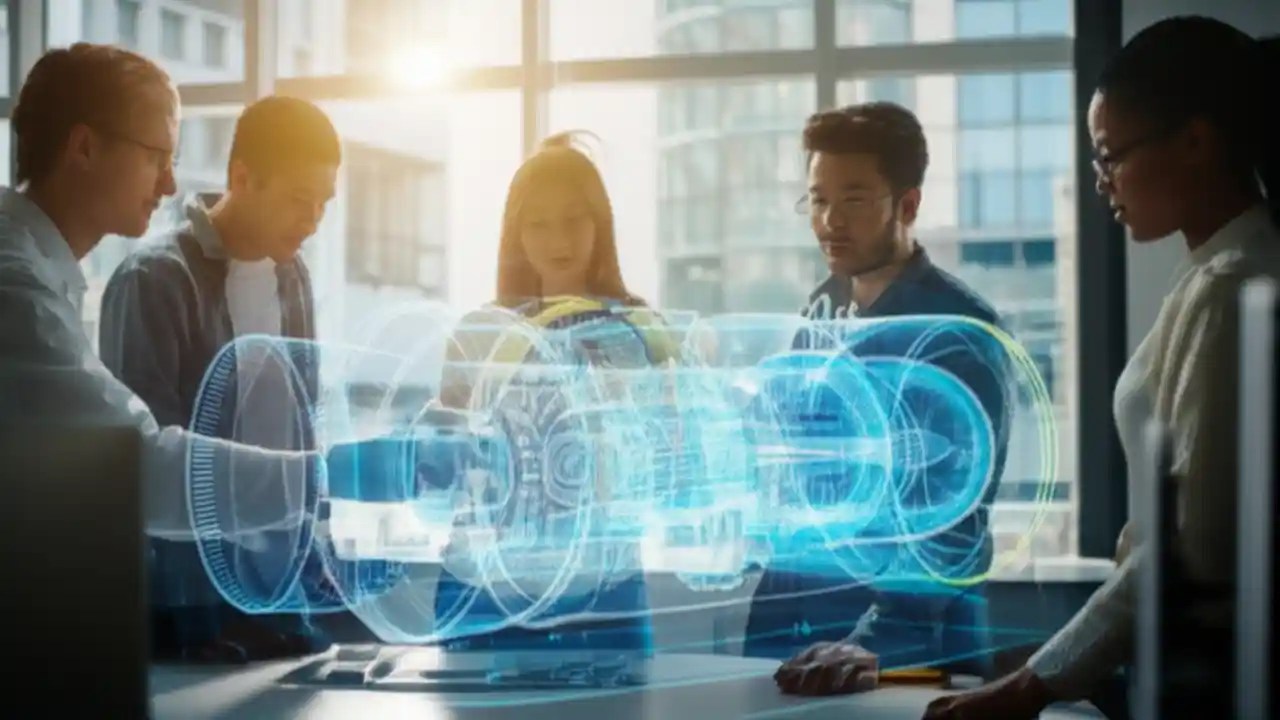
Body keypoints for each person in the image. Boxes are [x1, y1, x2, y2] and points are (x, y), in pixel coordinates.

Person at [924, 16, 1280, 719]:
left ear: (1196, 143)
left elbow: (1190, 553)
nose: (1100, 181)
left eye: (1110, 154)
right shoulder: (1215, 271)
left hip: (1206, 680)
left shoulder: (1230, 287)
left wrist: (1028, 688)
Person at [0, 43, 323, 639]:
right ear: (85, 147)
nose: (171, 183)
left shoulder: (41, 275)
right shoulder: (16, 292)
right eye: (157, 157)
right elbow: (134, 466)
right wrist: (330, 478)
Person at [751, 102, 1013, 691]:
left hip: (902, 652)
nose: (829, 221)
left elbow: (954, 520)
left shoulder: (959, 331)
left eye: (854, 200)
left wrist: (871, 642)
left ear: (908, 205)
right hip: (798, 630)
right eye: (818, 200)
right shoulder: (819, 311)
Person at [98, 96, 341, 662]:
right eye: (299, 200)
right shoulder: (154, 281)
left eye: (324, 204)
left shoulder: (294, 276)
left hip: (277, 593)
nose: (312, 221)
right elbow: (151, 467)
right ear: (242, 177)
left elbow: (302, 426)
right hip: (186, 608)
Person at [431, 131, 658, 657]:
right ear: (516, 233)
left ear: (600, 223)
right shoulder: (479, 332)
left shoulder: (638, 331)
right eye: (538, 223)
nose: (559, 239)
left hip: (603, 592)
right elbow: (446, 460)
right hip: (482, 590)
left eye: (575, 219)